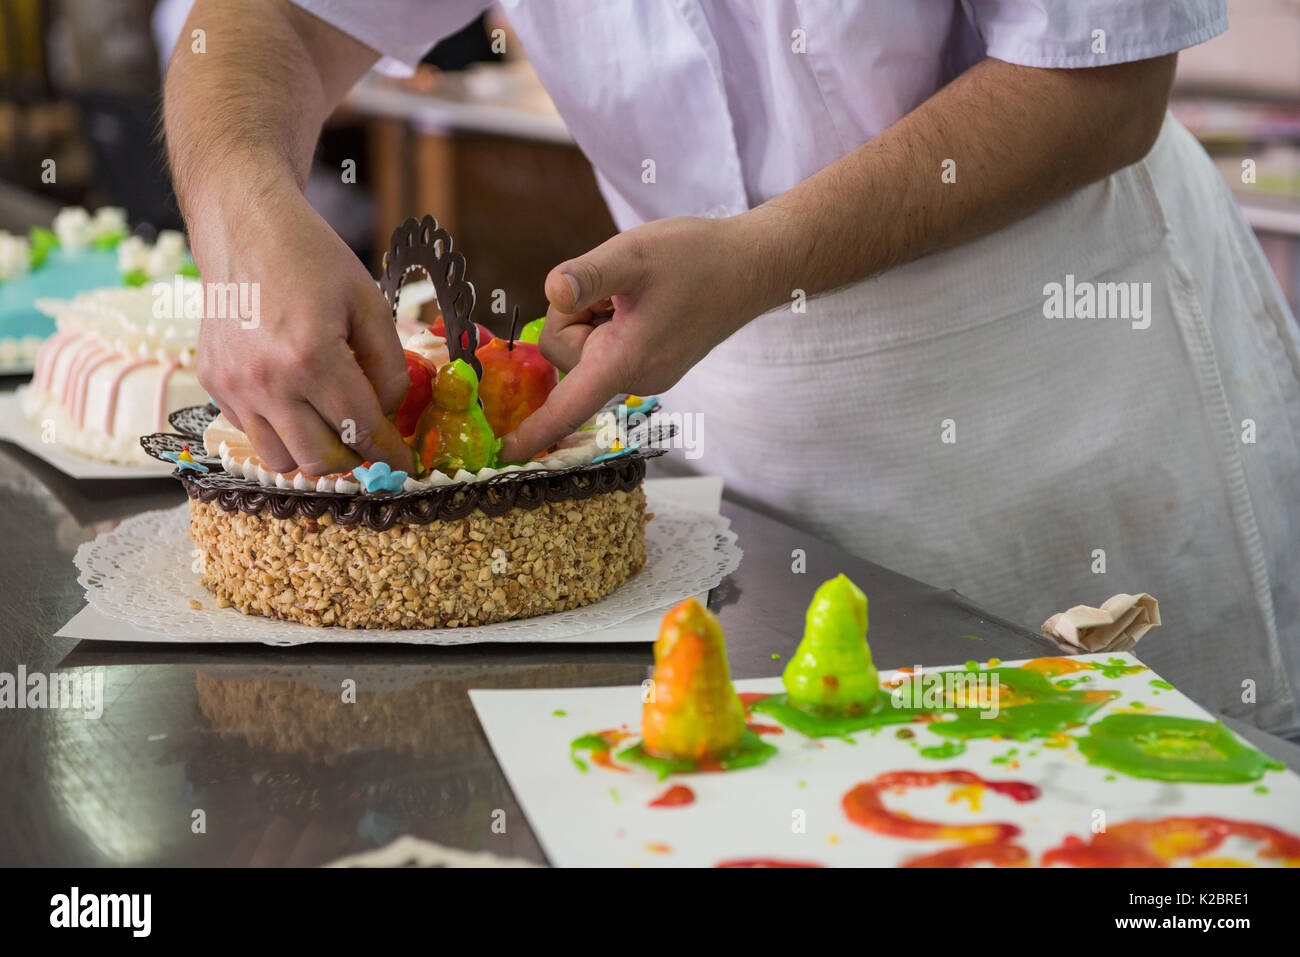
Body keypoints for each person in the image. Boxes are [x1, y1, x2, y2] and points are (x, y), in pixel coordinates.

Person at [163, 0, 1300, 733]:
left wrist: (763, 258)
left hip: (1054, 383)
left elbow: (1103, 82)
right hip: (723, 422)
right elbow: (267, 24)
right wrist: (241, 207)